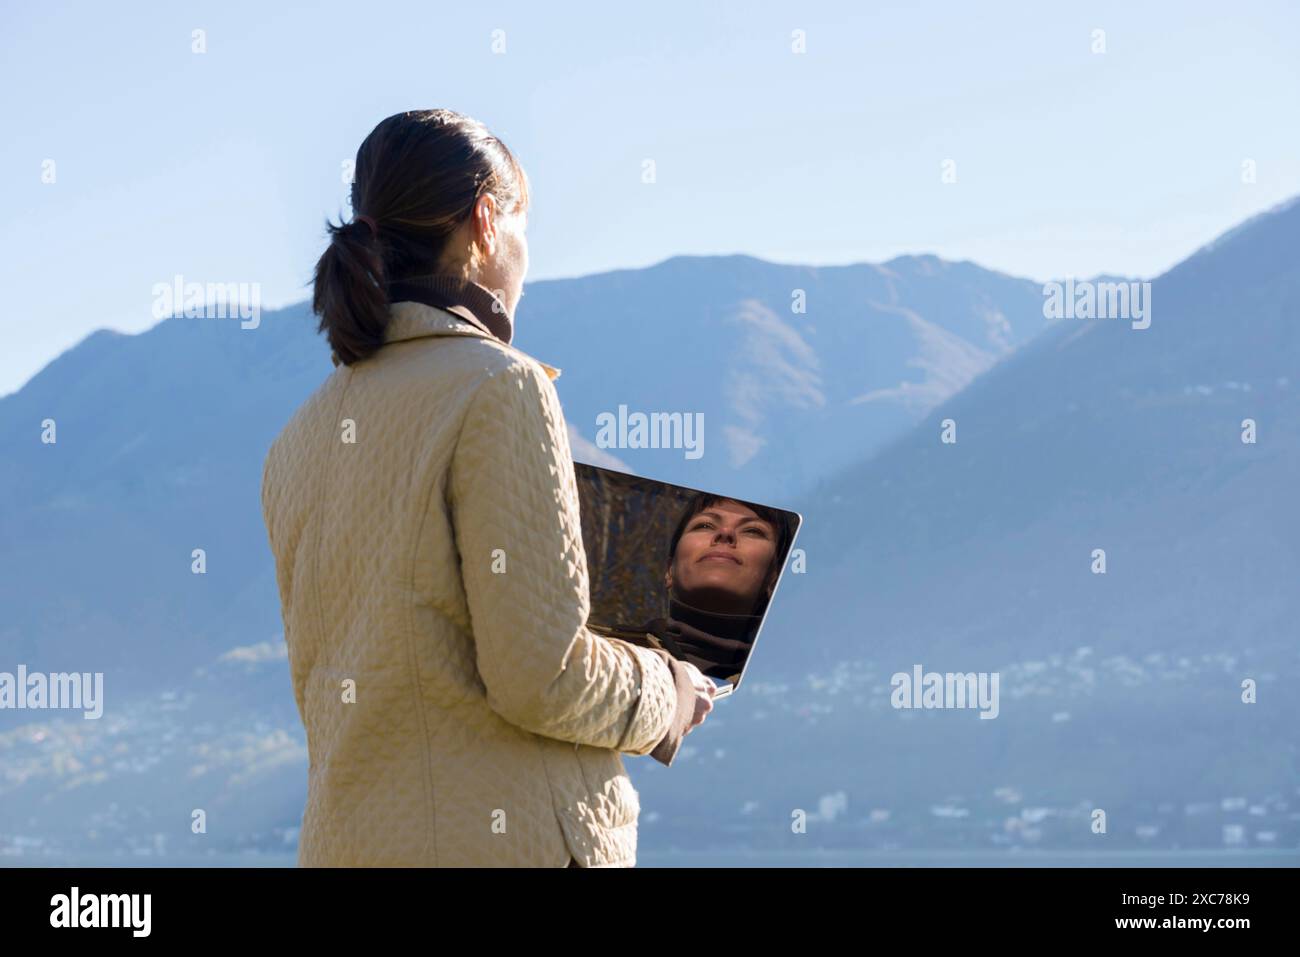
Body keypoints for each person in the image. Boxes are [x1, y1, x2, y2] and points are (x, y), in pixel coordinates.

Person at [260, 109, 714, 868]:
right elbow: (541, 675)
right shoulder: (501, 390)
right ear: (484, 222)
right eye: (523, 224)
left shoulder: (298, 439)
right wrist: (665, 691)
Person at [590, 494, 793, 683]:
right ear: (670, 570)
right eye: (704, 525)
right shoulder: (590, 650)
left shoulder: (788, 679)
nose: (725, 533)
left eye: (752, 530)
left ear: (775, 578)